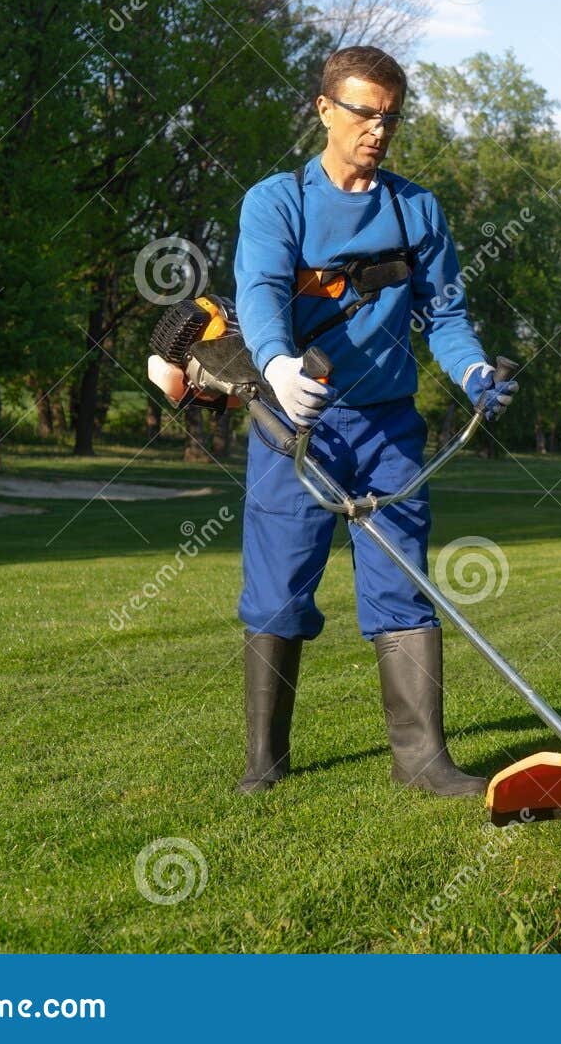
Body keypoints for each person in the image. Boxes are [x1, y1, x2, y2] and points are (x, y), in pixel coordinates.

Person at [229, 45, 517, 797]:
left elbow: (445, 316)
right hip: (294, 425)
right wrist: (276, 364)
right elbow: (258, 289)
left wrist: (473, 371)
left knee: (402, 583)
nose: (378, 131)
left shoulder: (414, 208)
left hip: (388, 429)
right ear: (325, 108)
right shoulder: (276, 201)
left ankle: (422, 760)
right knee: (280, 588)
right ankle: (265, 762)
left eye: (391, 117)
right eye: (364, 113)